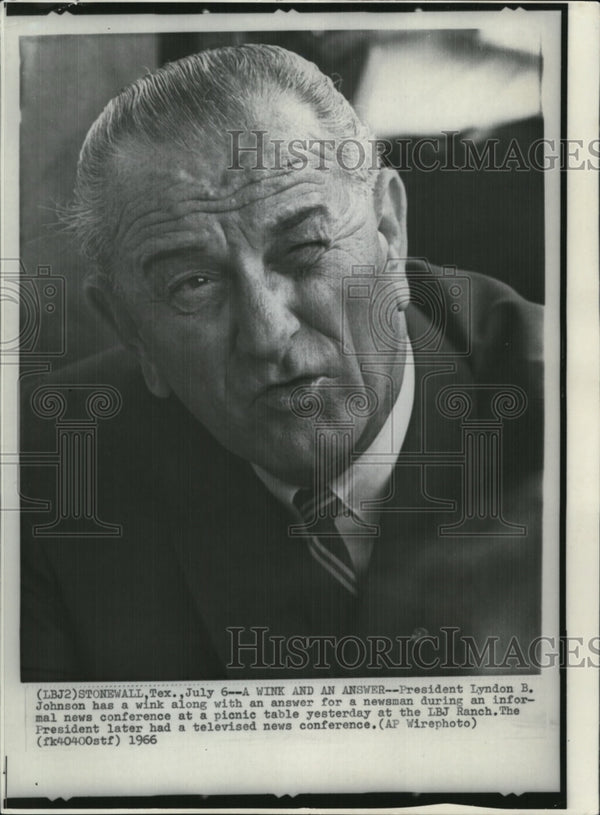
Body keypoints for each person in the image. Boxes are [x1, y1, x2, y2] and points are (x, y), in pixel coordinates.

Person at [20, 44, 543, 681]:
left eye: (304, 251)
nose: (267, 333)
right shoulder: (44, 471)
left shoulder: (571, 413)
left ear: (389, 229)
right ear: (130, 331)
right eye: (193, 284)